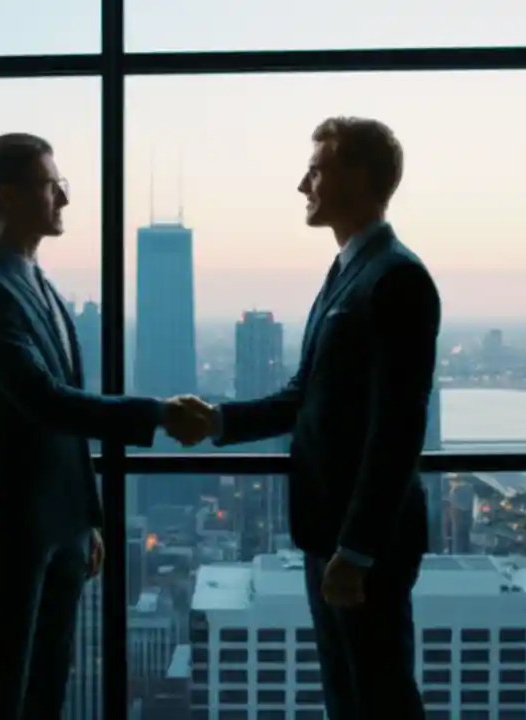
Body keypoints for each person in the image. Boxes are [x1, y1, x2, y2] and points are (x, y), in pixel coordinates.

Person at [185, 117, 441, 719]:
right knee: (347, 695)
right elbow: (308, 393)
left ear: (359, 176)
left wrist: (358, 550)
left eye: (317, 170)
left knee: (379, 697)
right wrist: (219, 421)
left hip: (362, 544)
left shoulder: (397, 277)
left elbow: (398, 428)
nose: (304, 185)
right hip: (329, 534)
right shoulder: (350, 271)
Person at [0, 132, 209, 720]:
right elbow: (45, 402)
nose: (64, 198)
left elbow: (66, 424)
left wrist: (87, 518)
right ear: (8, 195)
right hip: (11, 517)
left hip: (63, 519)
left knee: (50, 678)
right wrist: (158, 413)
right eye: (52, 185)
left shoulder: (37, 284)